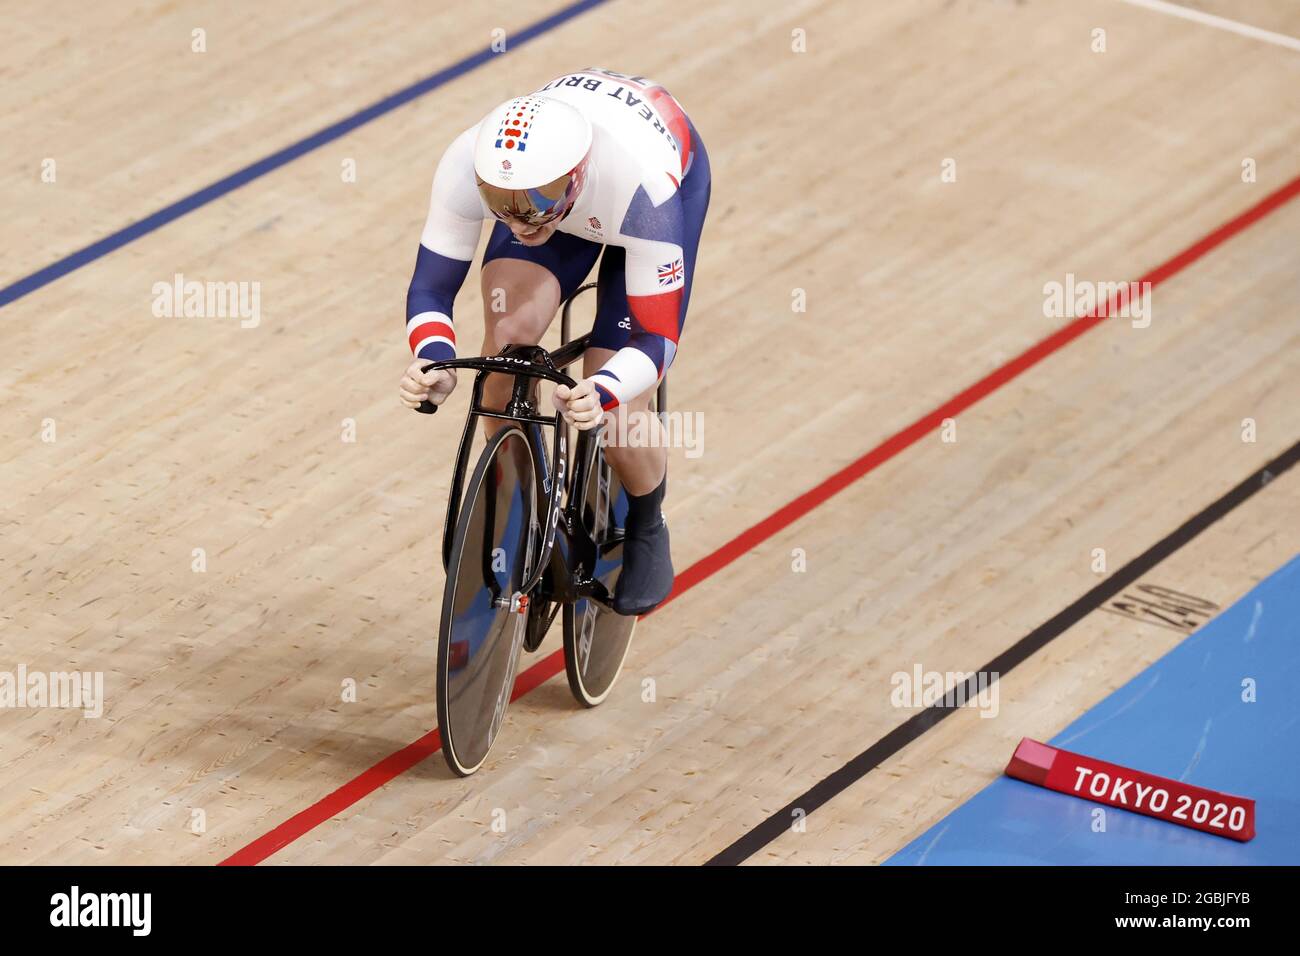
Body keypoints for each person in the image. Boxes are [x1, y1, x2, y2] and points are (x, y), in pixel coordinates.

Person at [398, 68, 711, 616]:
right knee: (506, 347)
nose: (519, 221)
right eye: (502, 202)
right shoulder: (471, 164)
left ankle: (646, 521)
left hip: (638, 200)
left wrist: (609, 387)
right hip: (574, 200)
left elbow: (658, 337)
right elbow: (431, 286)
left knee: (615, 413)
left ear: (574, 173)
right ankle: (522, 510)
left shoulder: (645, 191)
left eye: (532, 201)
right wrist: (435, 357)